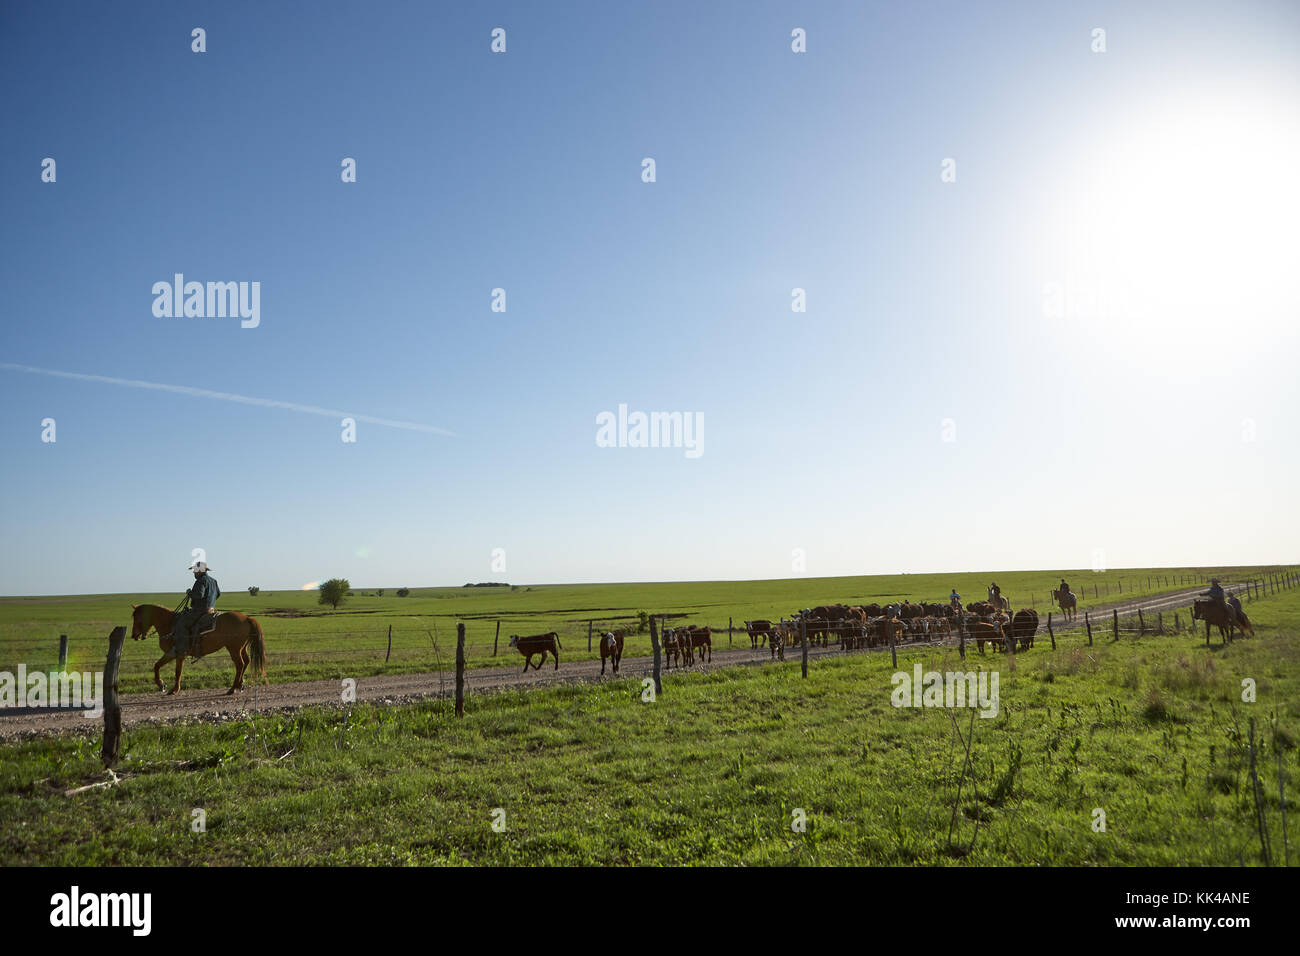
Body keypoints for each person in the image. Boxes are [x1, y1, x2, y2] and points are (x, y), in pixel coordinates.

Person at [171, 560, 220, 658]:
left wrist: (189, 593)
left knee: (181, 623)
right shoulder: (214, 581)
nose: (193, 572)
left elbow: (198, 595)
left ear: (200, 570)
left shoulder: (201, 581)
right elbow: (218, 594)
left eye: (195, 570)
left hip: (200, 611)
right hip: (211, 610)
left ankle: (182, 649)